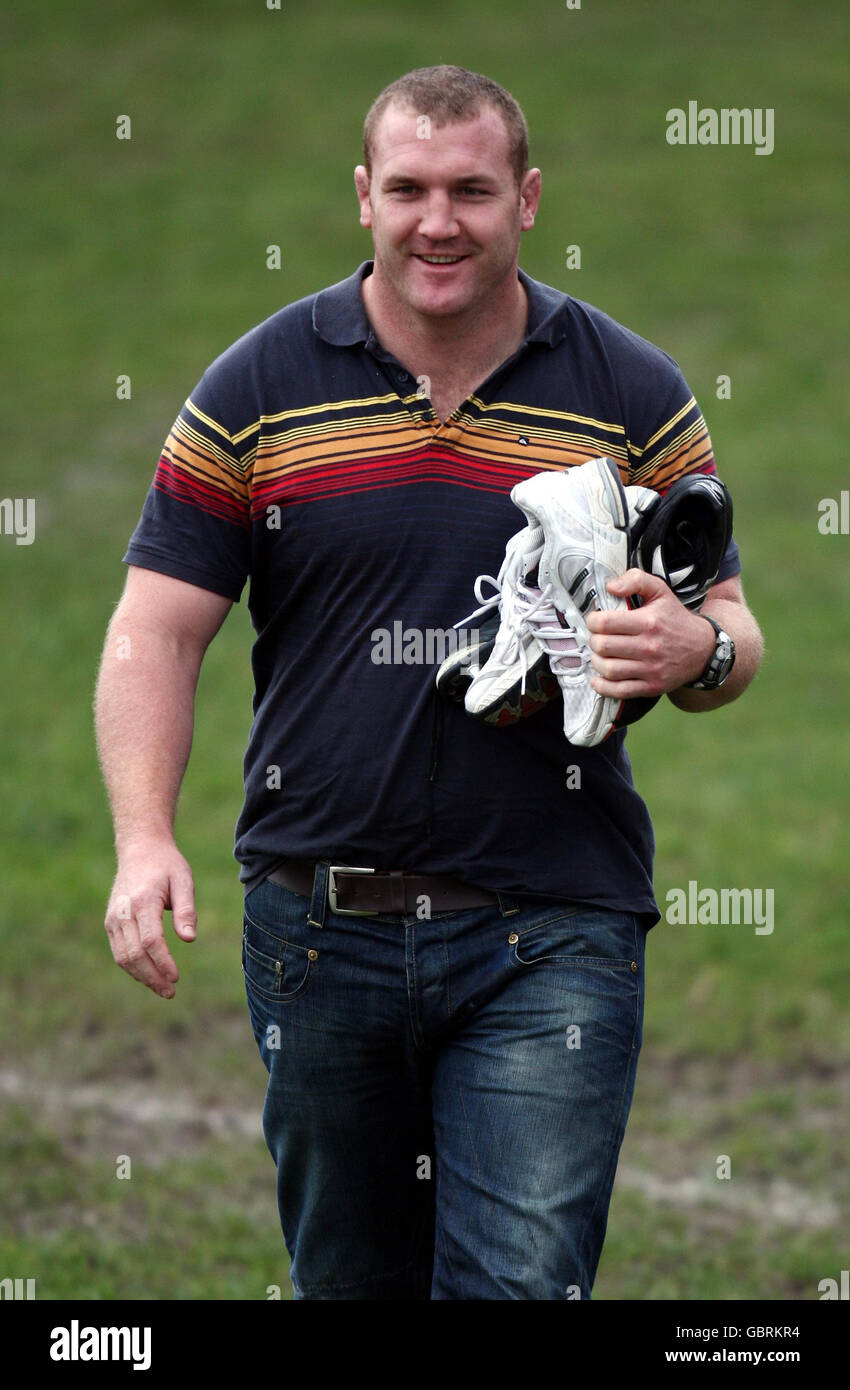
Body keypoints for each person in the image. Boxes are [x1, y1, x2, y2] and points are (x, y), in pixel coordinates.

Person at [95, 65, 764, 1300]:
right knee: (348, 1283)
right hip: (315, 928)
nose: (437, 221)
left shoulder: (627, 389)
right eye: (407, 188)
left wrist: (694, 652)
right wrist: (144, 839)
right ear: (363, 197)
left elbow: (727, 625)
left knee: (516, 1287)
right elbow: (156, 629)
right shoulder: (256, 388)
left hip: (552, 925)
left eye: (471, 189)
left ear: (528, 199)